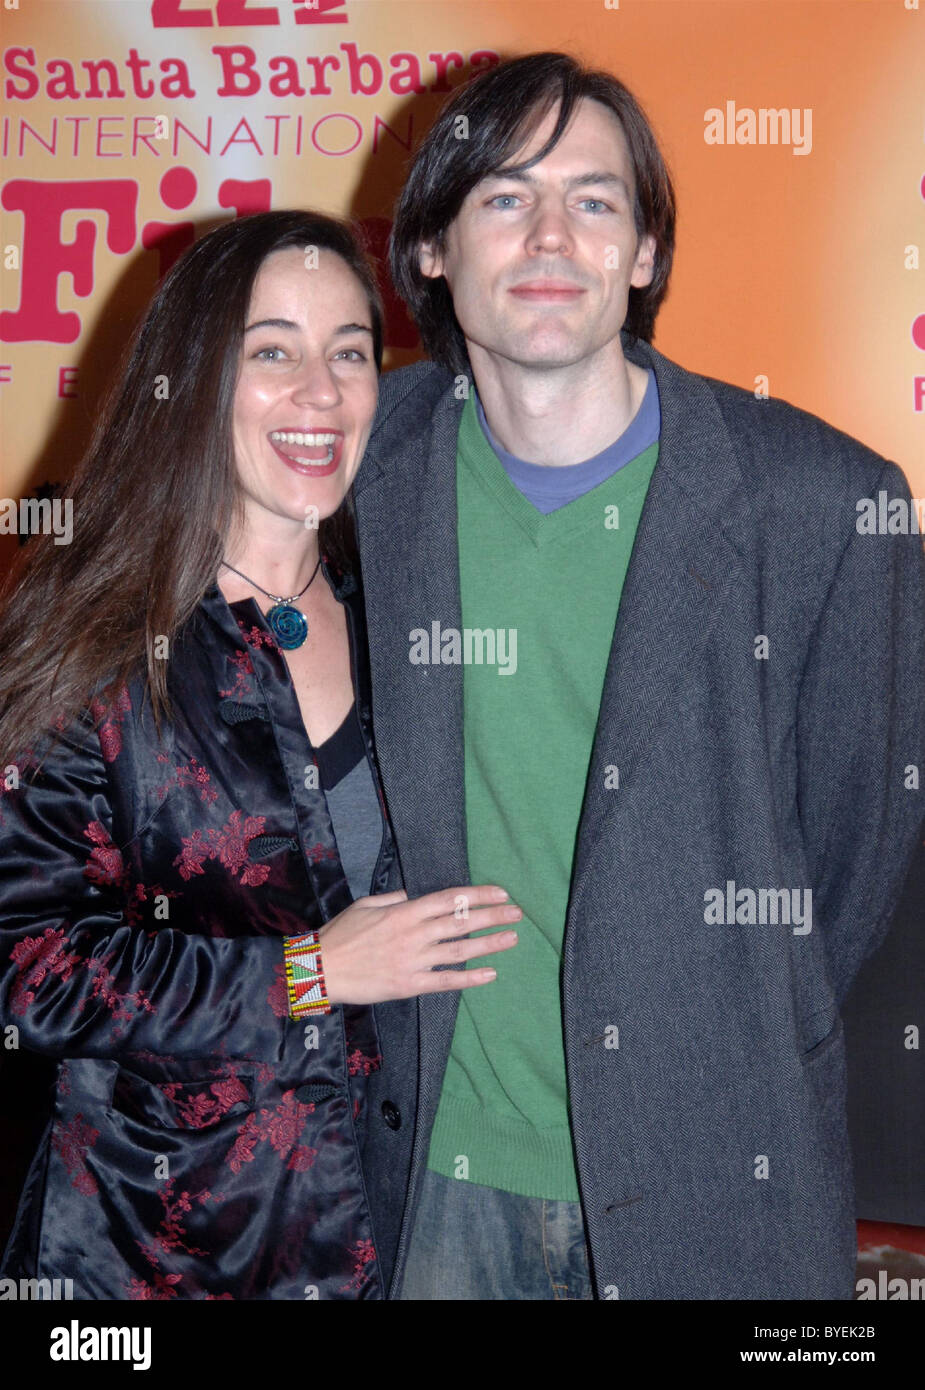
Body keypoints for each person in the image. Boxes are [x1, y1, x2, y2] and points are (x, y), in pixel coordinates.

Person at [351, 52, 925, 1299]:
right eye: (504, 196)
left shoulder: (827, 506)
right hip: (440, 1177)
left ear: (648, 253)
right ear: (434, 249)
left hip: (722, 1168)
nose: (551, 234)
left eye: (595, 200)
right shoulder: (358, 470)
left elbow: (853, 854)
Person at [0, 210, 520, 1300]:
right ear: (191, 380)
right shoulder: (92, 628)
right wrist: (312, 972)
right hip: (155, 1252)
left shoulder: (410, 619)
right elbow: (25, 970)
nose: (321, 394)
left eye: (349, 353)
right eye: (272, 351)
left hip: (397, 1227)